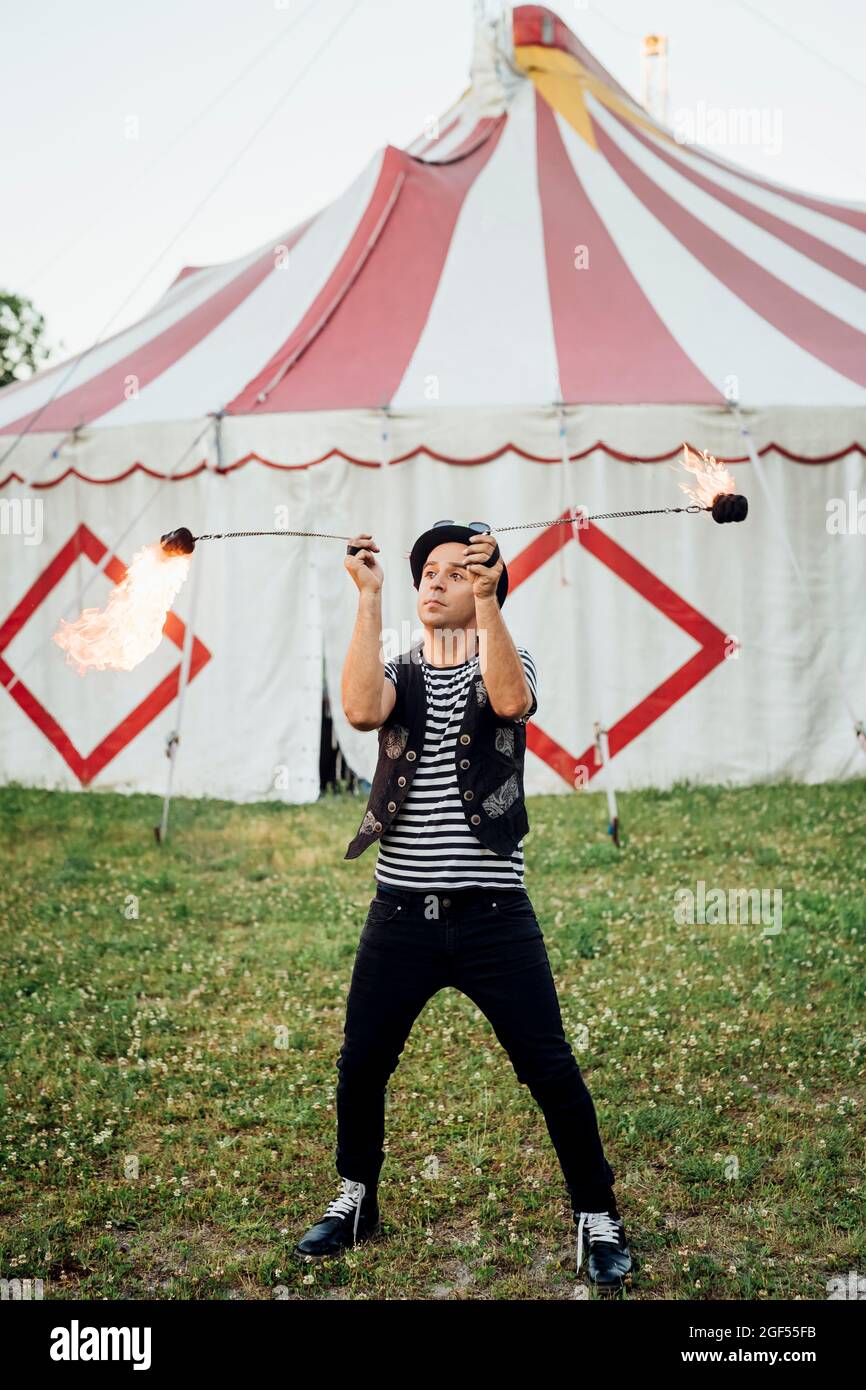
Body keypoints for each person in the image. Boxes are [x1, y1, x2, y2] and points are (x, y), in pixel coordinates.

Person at [293, 520, 632, 1289]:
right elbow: (358, 710)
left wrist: (489, 608)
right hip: (402, 915)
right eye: (428, 574)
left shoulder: (508, 661)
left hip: (493, 917)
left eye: (456, 572)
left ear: (486, 587)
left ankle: (596, 1212)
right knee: (361, 1064)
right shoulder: (399, 670)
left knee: (549, 1067)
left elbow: (510, 700)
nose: (436, 582)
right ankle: (356, 1198)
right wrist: (370, 597)